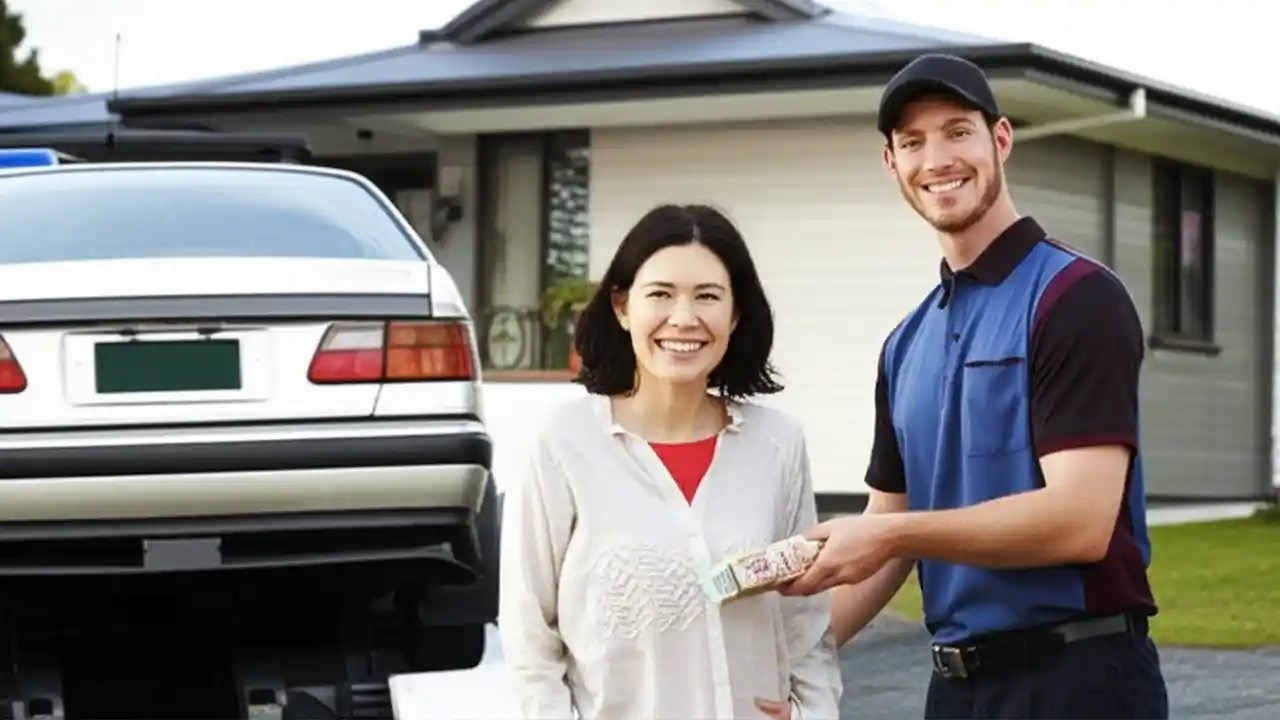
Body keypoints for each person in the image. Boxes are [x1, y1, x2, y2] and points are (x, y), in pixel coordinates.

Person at [780, 54, 1170, 719]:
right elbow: (886, 525)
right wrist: (783, 672)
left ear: (1001, 140)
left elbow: (1079, 521)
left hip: (1080, 684)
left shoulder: (1076, 299)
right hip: (956, 693)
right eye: (912, 142)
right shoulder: (905, 344)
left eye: (957, 131)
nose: (936, 158)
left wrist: (891, 537)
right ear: (891, 164)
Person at [498, 204, 842, 720]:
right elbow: (529, 634)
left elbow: (806, 625)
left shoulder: (778, 445)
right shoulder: (563, 443)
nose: (684, 318)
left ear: (735, 314)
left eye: (708, 296)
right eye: (660, 294)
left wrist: (813, 714)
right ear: (621, 306)